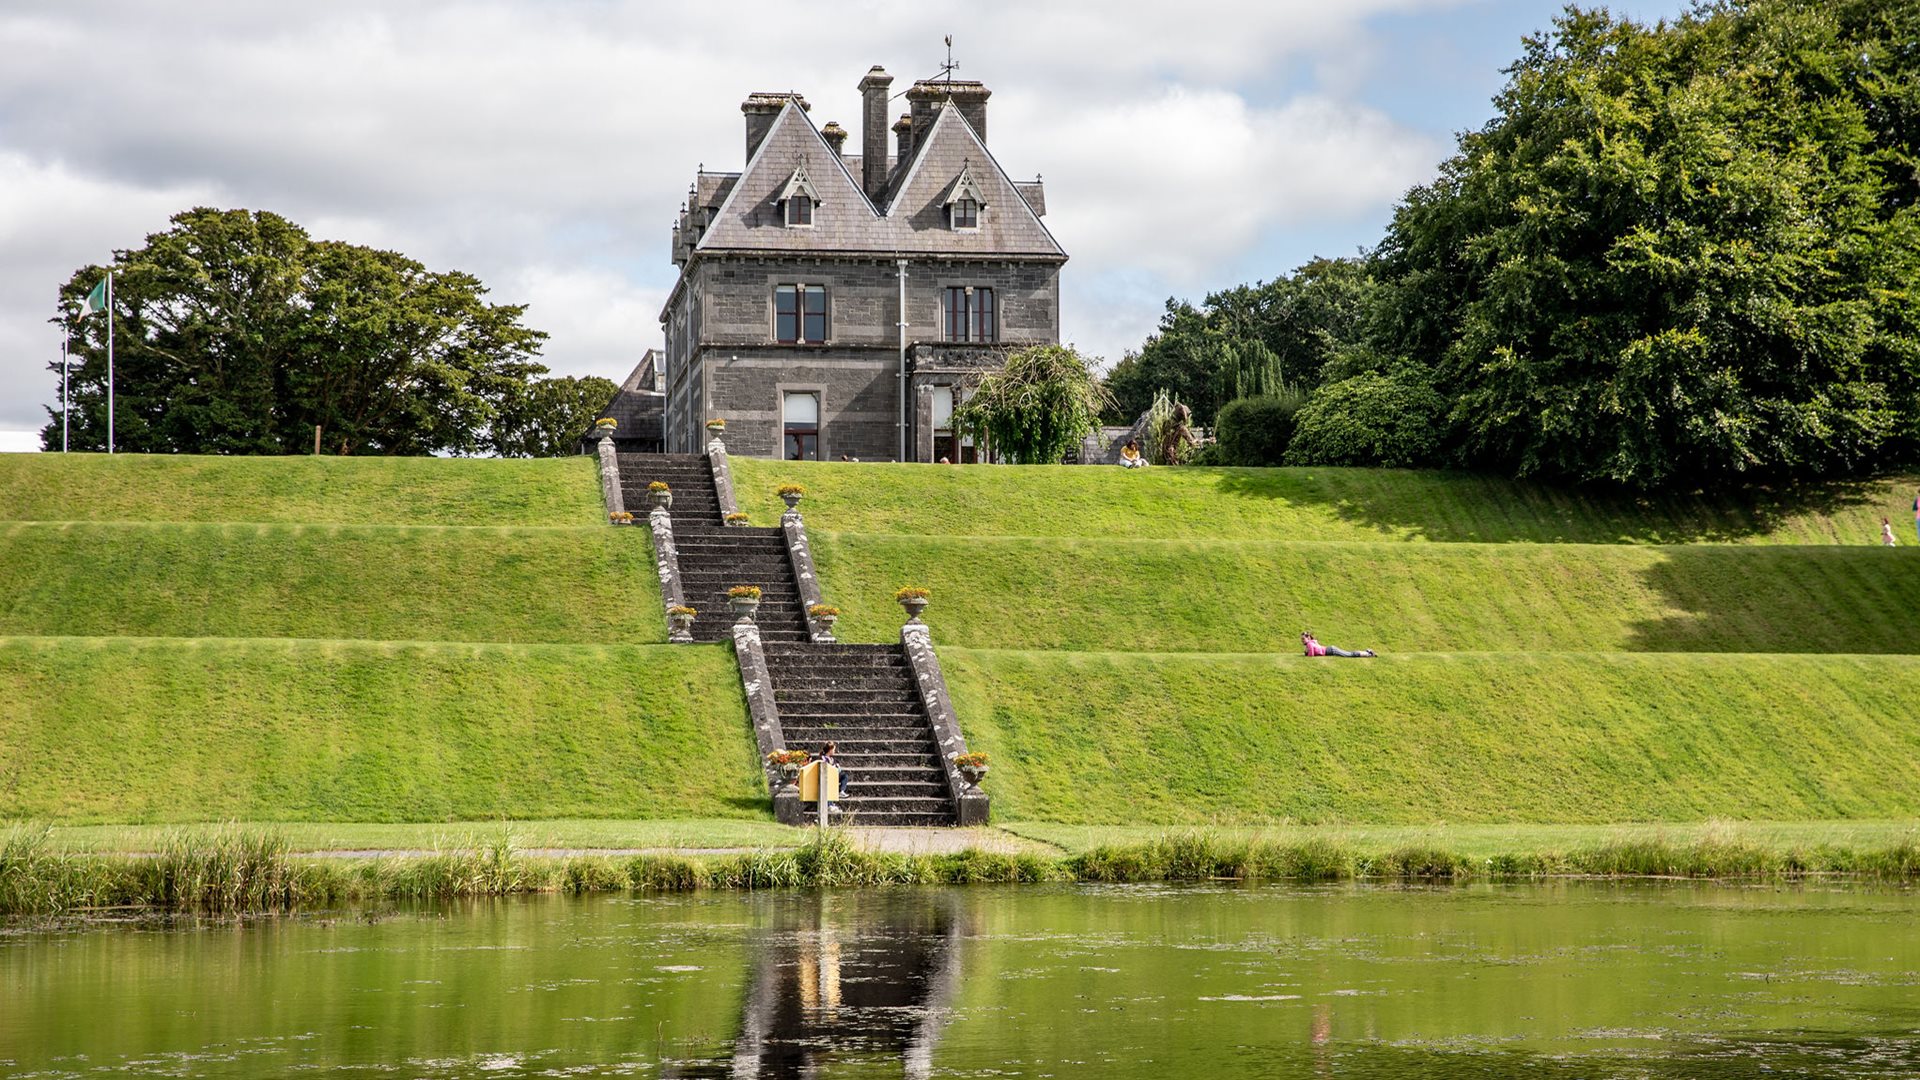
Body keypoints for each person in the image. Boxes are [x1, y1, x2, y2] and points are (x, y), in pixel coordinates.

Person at [819, 740, 851, 813]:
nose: (834, 751)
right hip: (827, 778)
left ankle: (841, 791)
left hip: (833, 776)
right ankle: (829, 805)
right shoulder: (823, 758)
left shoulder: (832, 759)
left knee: (844, 776)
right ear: (830, 750)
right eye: (833, 749)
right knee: (829, 785)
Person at [1301, 630, 1374, 658]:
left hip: (1332, 650)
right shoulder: (1312, 642)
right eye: (1302, 639)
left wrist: (1306, 653)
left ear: (1308, 638)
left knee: (1349, 654)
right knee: (1349, 654)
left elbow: (1311, 655)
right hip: (1331, 649)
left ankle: (1368, 653)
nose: (1302, 640)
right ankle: (1367, 652)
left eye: (1303, 639)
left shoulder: (1309, 644)